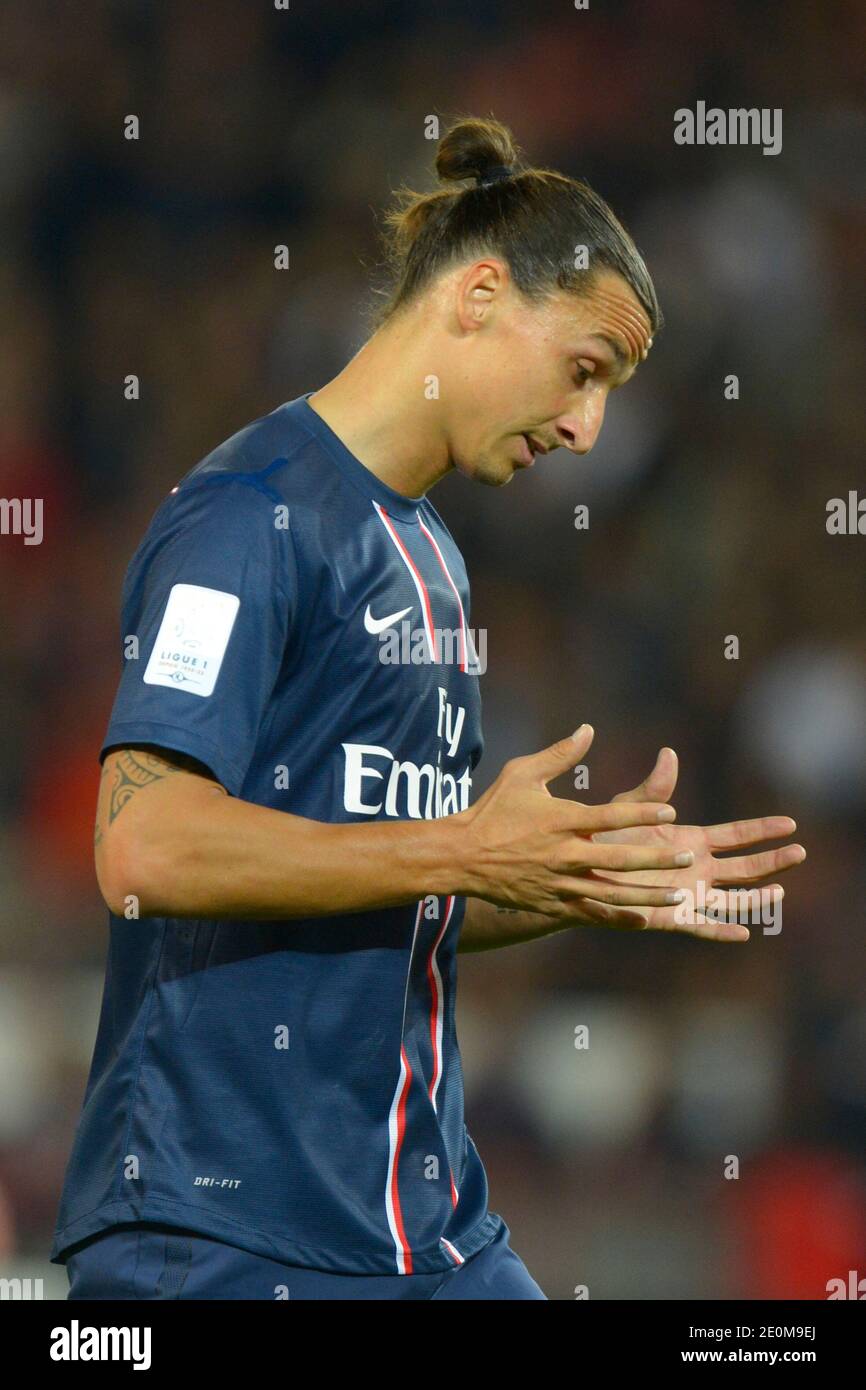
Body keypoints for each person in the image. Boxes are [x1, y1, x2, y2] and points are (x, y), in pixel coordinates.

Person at [51, 116, 805, 1300]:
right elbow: (141, 843)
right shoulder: (243, 517)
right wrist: (467, 845)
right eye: (582, 369)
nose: (585, 428)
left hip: (422, 1226)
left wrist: (563, 877)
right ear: (480, 295)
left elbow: (386, 883)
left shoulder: (435, 558)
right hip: (223, 1230)